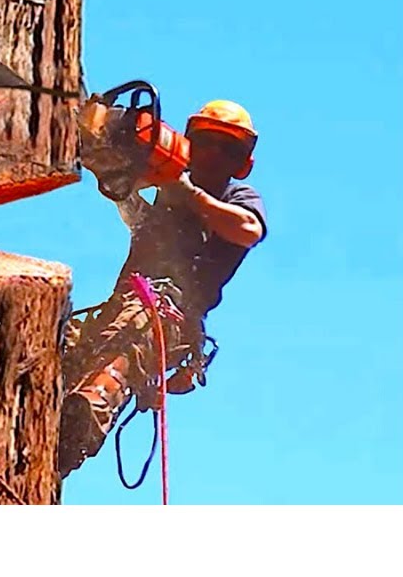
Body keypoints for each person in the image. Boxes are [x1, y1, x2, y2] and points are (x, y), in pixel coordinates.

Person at [58, 99, 268, 478]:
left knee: (122, 358)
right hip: (120, 305)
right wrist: (116, 175)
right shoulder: (167, 191)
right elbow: (140, 222)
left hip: (168, 315)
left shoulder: (235, 199)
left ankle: (83, 422)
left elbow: (248, 230)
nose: (214, 154)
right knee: (57, 353)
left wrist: (186, 191)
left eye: (228, 148)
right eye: (206, 142)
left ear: (243, 162)